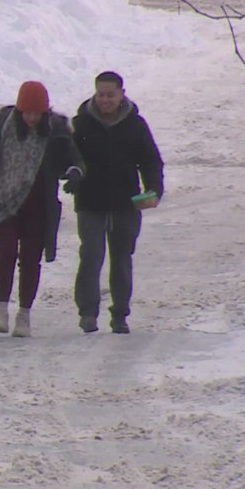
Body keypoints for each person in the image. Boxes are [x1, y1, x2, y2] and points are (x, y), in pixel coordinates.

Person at [0, 81, 85, 337]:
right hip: (3, 203)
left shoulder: (56, 131)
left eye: (37, 114)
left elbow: (74, 160)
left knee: (31, 258)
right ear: (19, 110)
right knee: (6, 251)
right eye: (27, 113)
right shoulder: (3, 126)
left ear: (45, 112)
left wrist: (75, 172)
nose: (31, 118)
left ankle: (24, 315)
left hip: (38, 206)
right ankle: (1, 311)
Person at [66, 70, 165, 334]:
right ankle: (87, 313)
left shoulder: (136, 125)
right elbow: (68, 157)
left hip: (125, 204)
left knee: (121, 258)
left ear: (122, 94)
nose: (105, 100)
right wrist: (72, 174)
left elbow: (150, 161)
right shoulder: (81, 124)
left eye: (110, 95)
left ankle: (120, 314)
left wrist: (154, 188)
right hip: (90, 202)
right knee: (91, 256)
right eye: (100, 94)